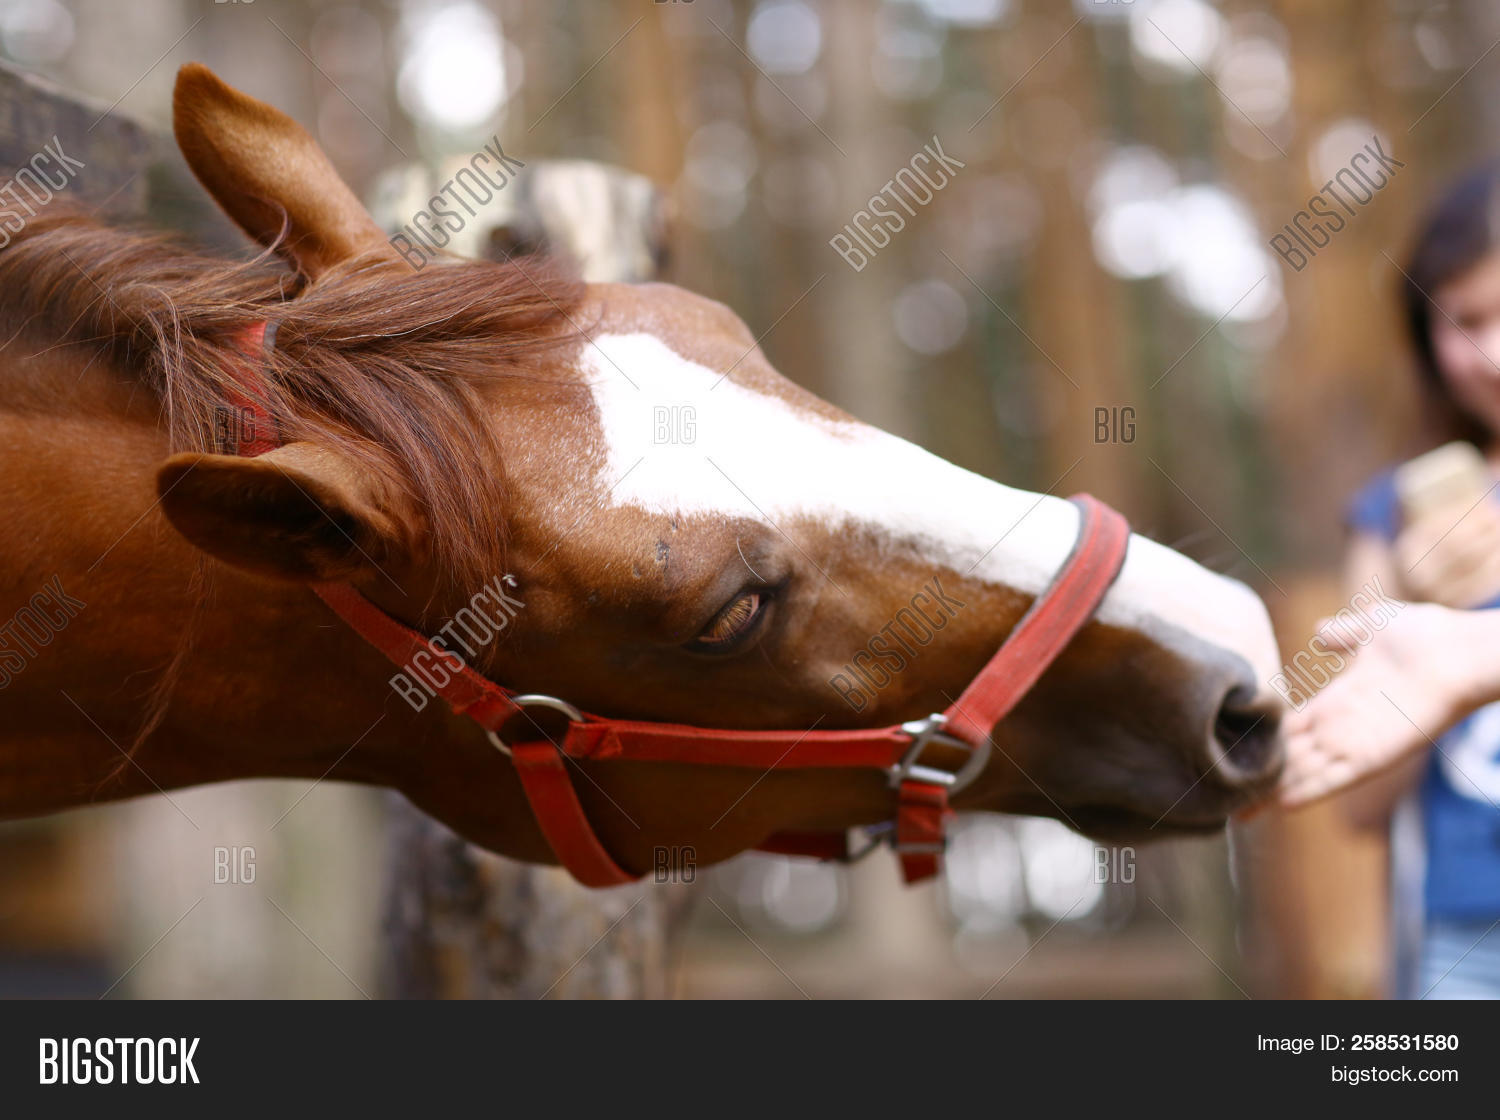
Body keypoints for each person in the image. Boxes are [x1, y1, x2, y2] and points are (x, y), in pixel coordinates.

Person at [1280, 161, 1500, 998]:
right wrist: (1426, 611)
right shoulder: (1391, 519)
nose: (1495, 351)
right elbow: (1361, 803)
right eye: (1466, 319)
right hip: (1460, 938)